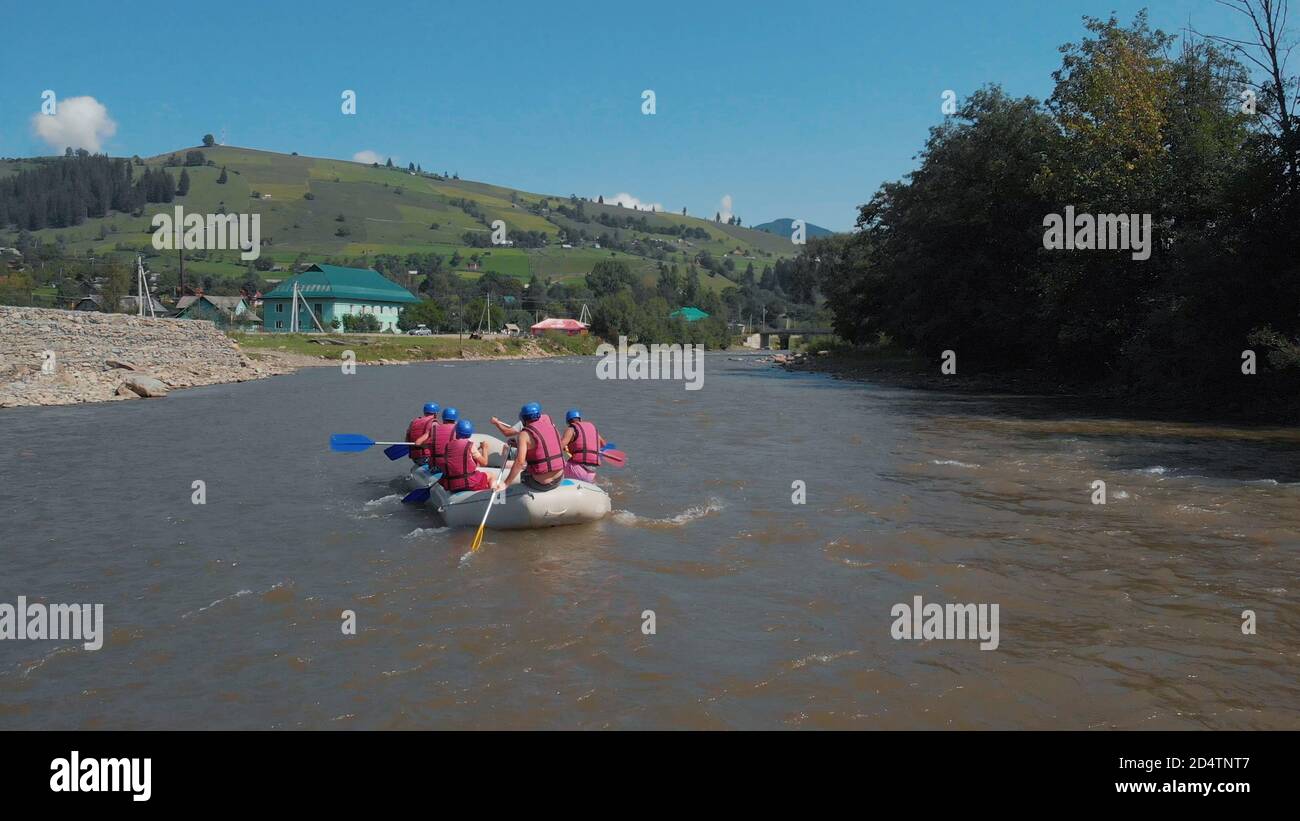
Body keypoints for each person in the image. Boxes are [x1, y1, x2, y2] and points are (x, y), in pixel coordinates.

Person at [494, 402, 564, 492]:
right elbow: (542, 446)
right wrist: (517, 445)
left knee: (524, 474)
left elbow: (520, 462)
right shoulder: (550, 424)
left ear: (523, 419)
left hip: (542, 484)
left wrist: (505, 484)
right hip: (559, 478)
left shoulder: (524, 435)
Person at [439, 420, 492, 493]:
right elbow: (484, 463)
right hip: (468, 483)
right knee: (491, 475)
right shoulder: (470, 445)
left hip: (452, 484)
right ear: (470, 433)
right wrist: (485, 448)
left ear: (456, 432)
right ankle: (491, 497)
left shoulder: (448, 446)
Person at [560, 408, 605, 483]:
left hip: (576, 471)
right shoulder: (592, 429)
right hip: (592, 473)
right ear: (580, 419)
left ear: (568, 422)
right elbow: (604, 445)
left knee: (556, 466)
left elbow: (559, 448)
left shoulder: (571, 429)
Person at [414, 407, 459, 473]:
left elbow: (417, 443)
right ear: (456, 419)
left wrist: (429, 446)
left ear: (443, 417)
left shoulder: (434, 429)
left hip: (435, 464)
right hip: (450, 465)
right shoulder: (458, 430)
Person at [405, 402, 439, 467]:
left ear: (424, 412)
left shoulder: (413, 422)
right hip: (427, 456)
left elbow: (407, 440)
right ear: (435, 413)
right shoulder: (434, 423)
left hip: (415, 457)